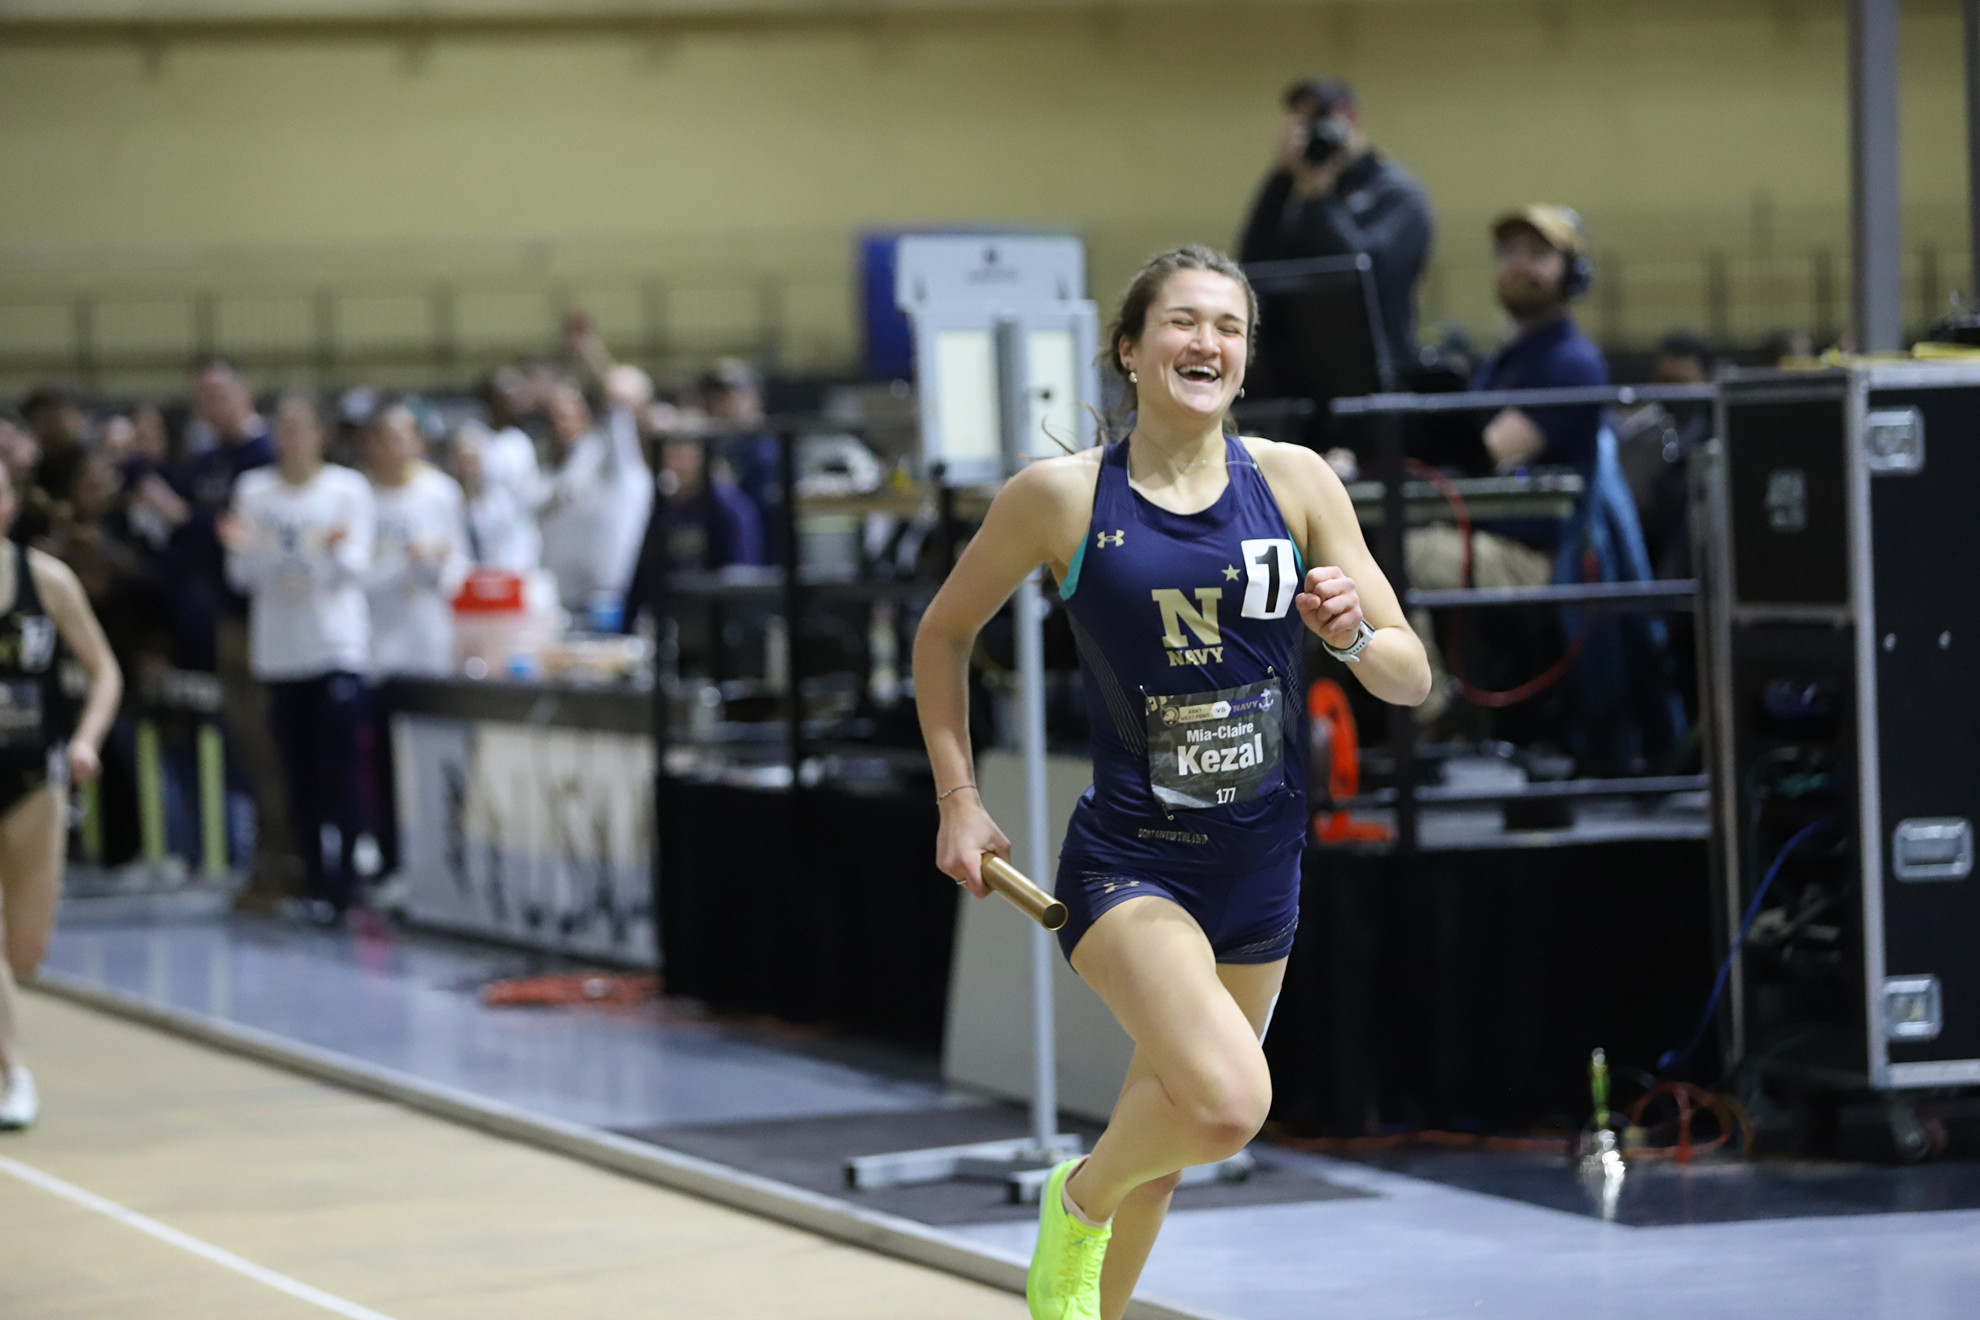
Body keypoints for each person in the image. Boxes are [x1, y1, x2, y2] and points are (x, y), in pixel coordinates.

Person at [913, 246, 1429, 1320]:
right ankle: (1077, 1198)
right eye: (1185, 323)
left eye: (1230, 328)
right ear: (1132, 351)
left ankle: (1088, 1284)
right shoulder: (1059, 497)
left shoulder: (1294, 481)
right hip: (1130, 869)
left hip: (1263, 869)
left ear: (1246, 358)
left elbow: (1409, 675)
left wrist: (1350, 633)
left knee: (1175, 1132)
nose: (1209, 344)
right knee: (1230, 1104)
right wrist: (958, 796)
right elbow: (944, 634)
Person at [1403, 205, 1609, 723]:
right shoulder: (1502, 363)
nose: (1519, 265)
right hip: (1483, 537)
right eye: (1510, 252)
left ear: (1573, 275)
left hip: (1529, 556)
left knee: (1391, 557)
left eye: (1538, 254)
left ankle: (1425, 720)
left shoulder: (1571, 363)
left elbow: (1489, 453)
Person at [0, 462, 124, 1129]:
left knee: (24, 952)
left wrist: (87, 741)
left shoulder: (44, 580)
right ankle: (12, 1072)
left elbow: (105, 671)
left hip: (32, 778)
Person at [145, 355, 293, 900]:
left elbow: (226, 536)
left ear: (243, 392)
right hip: (222, 623)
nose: (212, 407)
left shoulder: (266, 461)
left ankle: (284, 864)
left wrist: (189, 521)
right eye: (201, 399)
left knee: (274, 753)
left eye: (220, 395)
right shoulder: (205, 463)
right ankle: (263, 862)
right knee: (247, 752)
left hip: (272, 622)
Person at [222, 395, 374, 922]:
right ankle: (310, 875)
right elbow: (241, 572)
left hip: (334, 646)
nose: (291, 438)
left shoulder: (346, 490)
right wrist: (276, 552)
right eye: (283, 428)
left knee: (341, 767)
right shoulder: (255, 491)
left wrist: (312, 555)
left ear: (320, 434)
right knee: (296, 772)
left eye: (301, 427)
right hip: (279, 654)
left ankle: (350, 878)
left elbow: (354, 567)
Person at [1236, 77, 1434, 374]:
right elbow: (1252, 266)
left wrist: (1318, 195)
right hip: (1295, 372)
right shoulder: (1290, 194)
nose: (1311, 133)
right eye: (1301, 123)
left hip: (1377, 373)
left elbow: (1362, 273)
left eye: (1320, 120)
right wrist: (1281, 177)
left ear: (1351, 121)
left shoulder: (1396, 195)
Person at [363, 402, 470, 680]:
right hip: (376, 638)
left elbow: (460, 562)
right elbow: (356, 574)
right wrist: (403, 561)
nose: (395, 448)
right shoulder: (360, 497)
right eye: (387, 440)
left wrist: (437, 567)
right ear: (372, 445)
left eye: (403, 438)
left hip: (428, 637)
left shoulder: (441, 492)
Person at [536, 373, 653, 622]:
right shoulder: (548, 470)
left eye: (567, 414)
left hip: (605, 599)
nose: (560, 423)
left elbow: (619, 403)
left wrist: (593, 361)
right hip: (558, 598)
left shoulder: (608, 459)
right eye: (553, 417)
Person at [451, 425, 541, 573]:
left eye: (472, 459)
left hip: (510, 573)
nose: (467, 467)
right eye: (463, 460)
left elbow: (519, 540)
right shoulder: (455, 498)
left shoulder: (502, 498)